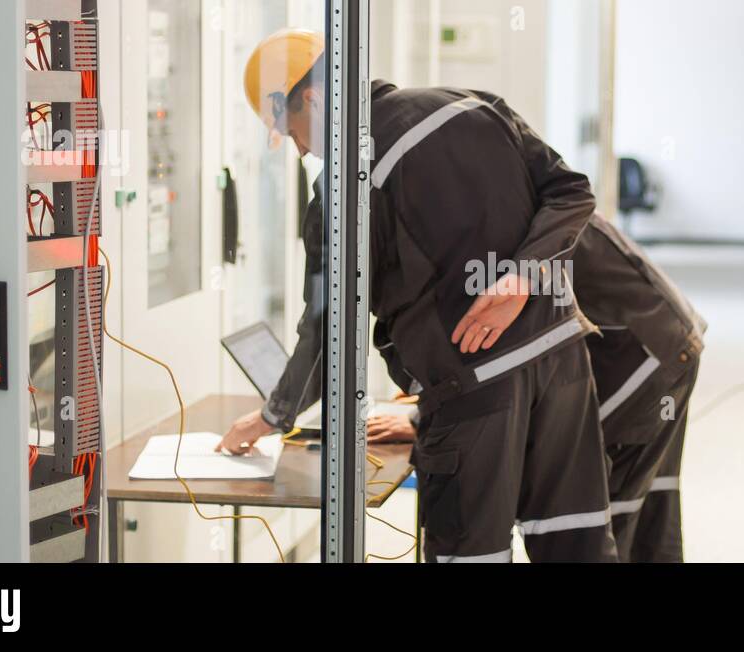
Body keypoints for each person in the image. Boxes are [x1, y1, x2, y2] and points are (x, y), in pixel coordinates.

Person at [219, 29, 618, 563]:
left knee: (468, 554)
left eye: (291, 132)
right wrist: (524, 276)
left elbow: (326, 332)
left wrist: (271, 416)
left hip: (473, 387)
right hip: (562, 361)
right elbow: (571, 191)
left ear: (312, 100)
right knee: (579, 542)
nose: (300, 149)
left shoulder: (340, 189)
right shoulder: (470, 105)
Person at [371, 213, 706, 562]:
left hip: (641, 353)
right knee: (650, 506)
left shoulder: (477, 212)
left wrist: (421, 418)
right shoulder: (505, 188)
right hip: (667, 337)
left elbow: (499, 343)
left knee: (596, 510)